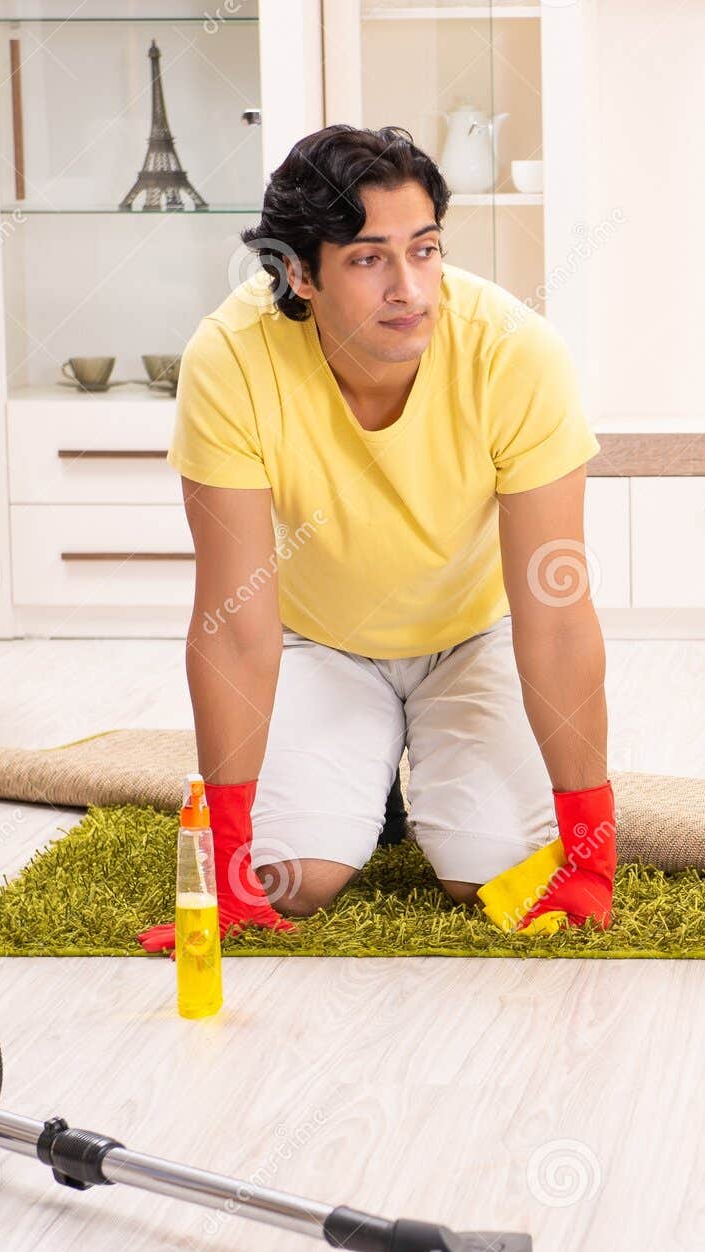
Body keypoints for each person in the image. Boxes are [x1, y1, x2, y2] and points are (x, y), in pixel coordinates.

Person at [138, 124, 615, 953]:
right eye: (368, 259)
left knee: (491, 868)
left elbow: (558, 615)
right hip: (317, 641)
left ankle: (414, 761)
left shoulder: (515, 353)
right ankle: (370, 778)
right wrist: (228, 859)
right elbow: (235, 622)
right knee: (293, 880)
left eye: (424, 250)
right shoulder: (230, 359)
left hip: (478, 634)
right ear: (298, 274)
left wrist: (590, 852)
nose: (411, 288)